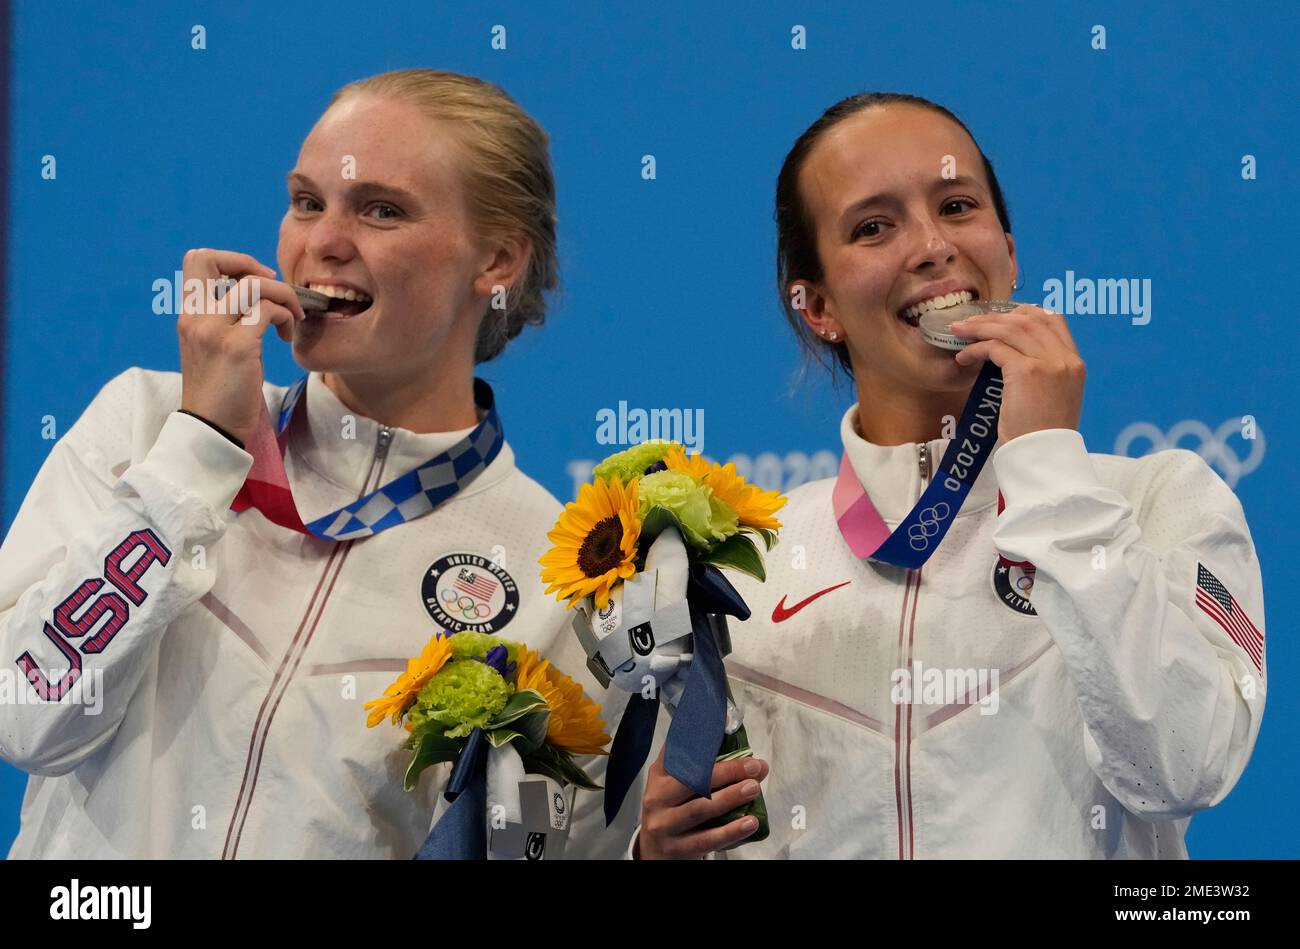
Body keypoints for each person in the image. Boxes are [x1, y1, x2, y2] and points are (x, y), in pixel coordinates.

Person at [0, 68, 631, 859]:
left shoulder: (553, 569)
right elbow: (25, 713)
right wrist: (199, 448)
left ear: (497, 261)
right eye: (307, 202)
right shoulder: (143, 424)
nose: (321, 244)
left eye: (381, 210)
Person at [634, 92, 1266, 859]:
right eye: (874, 226)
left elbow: (1185, 765)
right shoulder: (742, 568)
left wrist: (1048, 468)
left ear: (1008, 246)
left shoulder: (1159, 500)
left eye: (958, 205)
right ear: (817, 306)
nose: (932, 246)